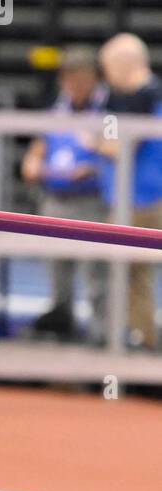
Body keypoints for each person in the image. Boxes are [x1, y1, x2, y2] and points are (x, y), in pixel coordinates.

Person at [20, 47, 108, 341]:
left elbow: (120, 153)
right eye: (69, 78)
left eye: (81, 77)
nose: (75, 84)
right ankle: (61, 328)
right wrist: (35, 166)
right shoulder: (56, 112)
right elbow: (34, 157)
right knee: (58, 273)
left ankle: (101, 335)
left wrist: (93, 166)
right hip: (56, 201)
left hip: (93, 203)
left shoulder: (108, 112)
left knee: (97, 275)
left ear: (94, 78)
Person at [98, 33, 162, 348]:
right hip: (135, 200)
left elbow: (121, 149)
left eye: (108, 68)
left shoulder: (147, 99)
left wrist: (95, 143)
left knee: (133, 277)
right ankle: (139, 340)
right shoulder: (145, 98)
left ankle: (141, 343)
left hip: (141, 203)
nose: (107, 78)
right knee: (133, 279)